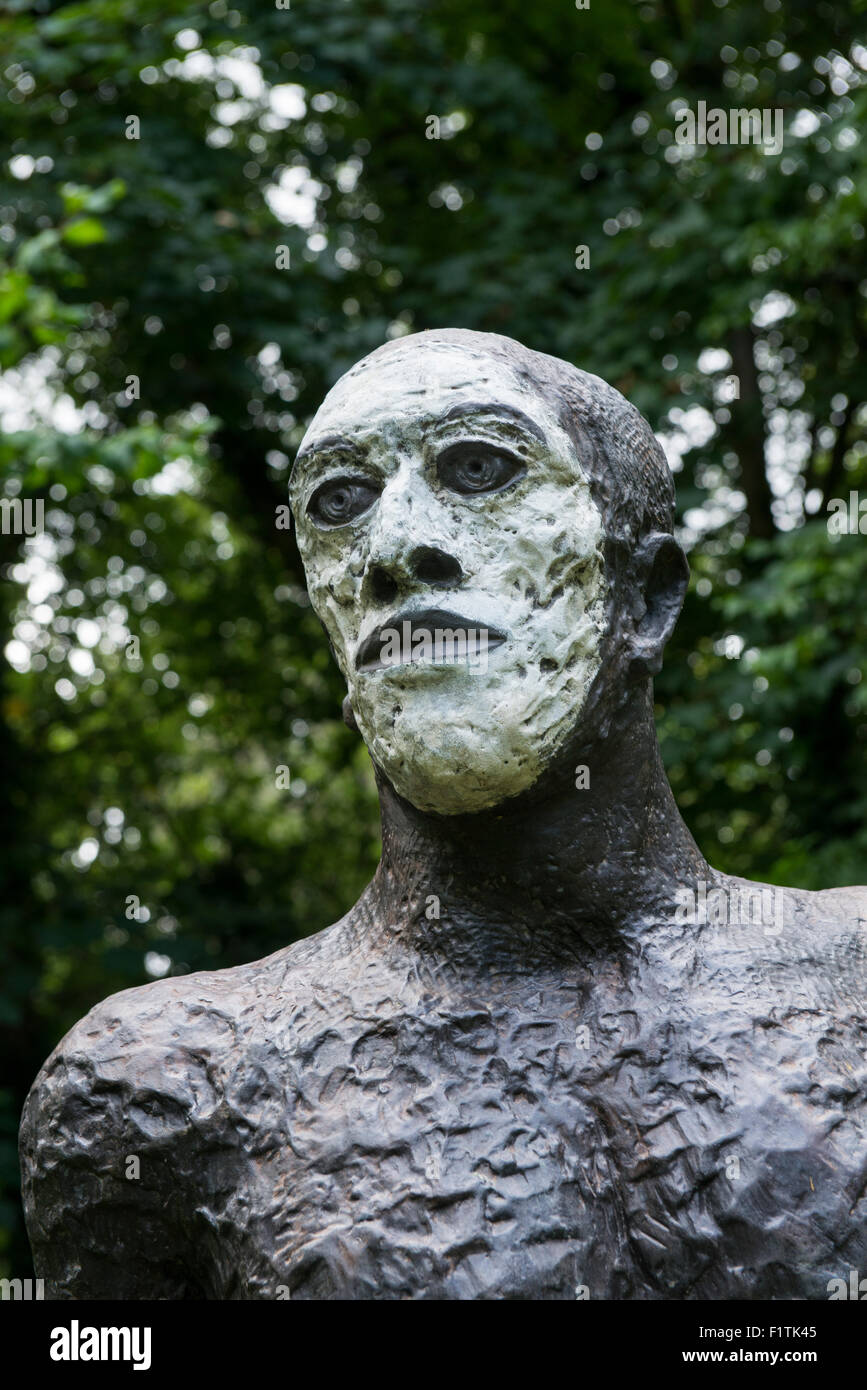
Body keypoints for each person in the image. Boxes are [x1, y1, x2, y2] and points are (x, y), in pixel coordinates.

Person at [21, 329, 867, 1300]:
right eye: (340, 502)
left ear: (649, 596)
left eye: (479, 468)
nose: (392, 549)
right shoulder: (158, 1089)